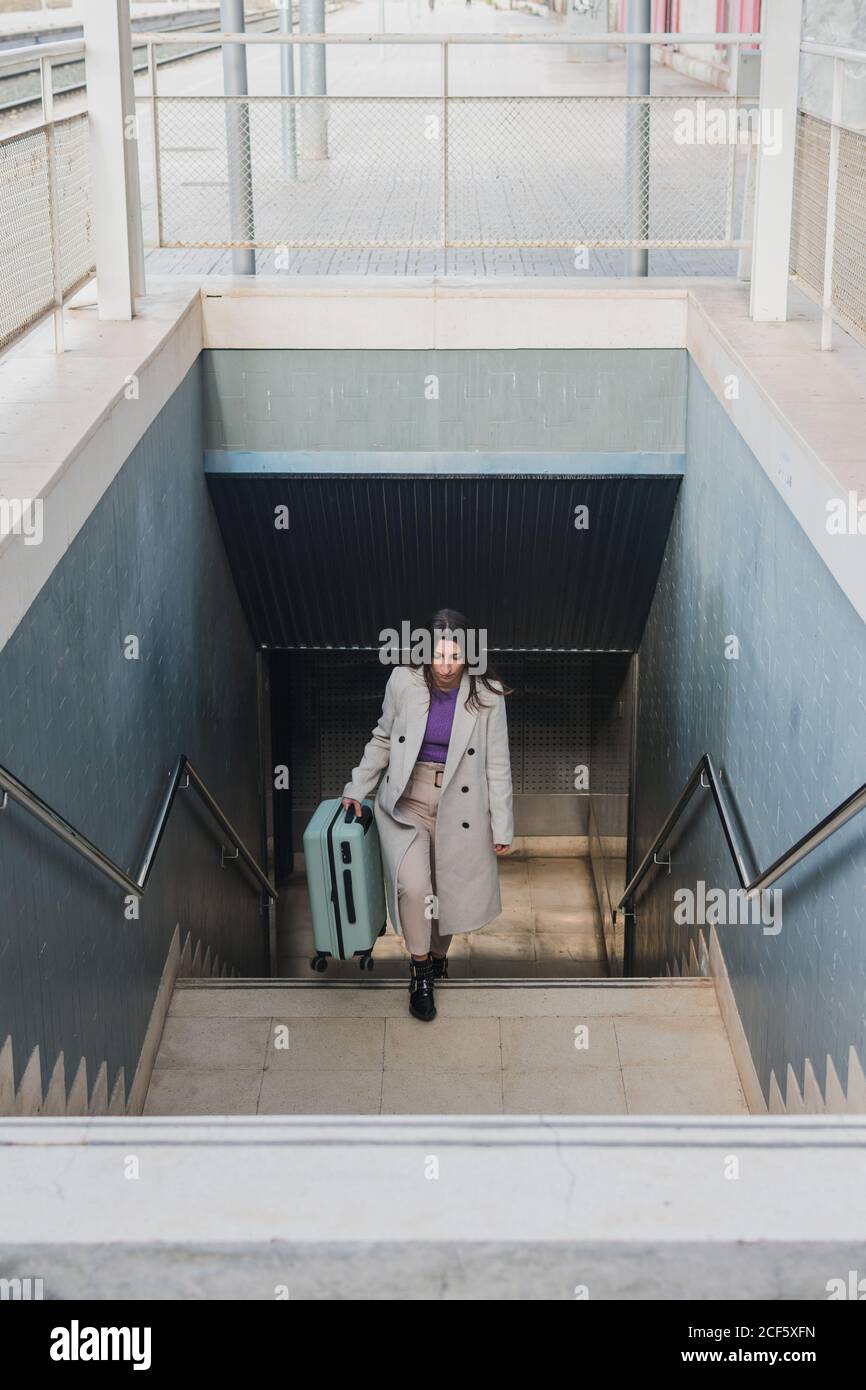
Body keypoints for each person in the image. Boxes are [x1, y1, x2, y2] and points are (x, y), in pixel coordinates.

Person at [343, 609, 513, 1021]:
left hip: (463, 805)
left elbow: (497, 764)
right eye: (440, 654)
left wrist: (503, 823)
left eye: (455, 655)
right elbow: (383, 737)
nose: (447, 664)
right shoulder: (403, 681)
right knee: (415, 886)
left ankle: (437, 958)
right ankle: (420, 972)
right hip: (408, 801)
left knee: (450, 890)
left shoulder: (487, 694)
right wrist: (356, 787)